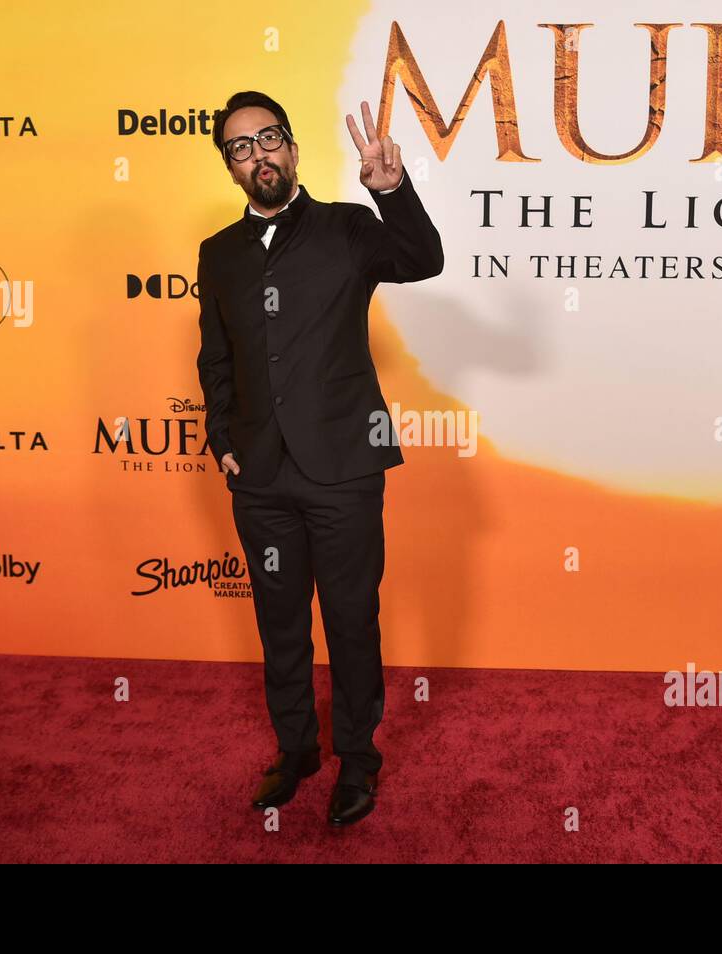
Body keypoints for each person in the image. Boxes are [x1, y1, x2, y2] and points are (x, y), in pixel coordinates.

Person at [197, 91, 444, 826]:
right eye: (241, 147)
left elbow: (422, 260)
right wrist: (223, 442)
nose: (258, 154)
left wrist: (391, 190)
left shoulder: (348, 227)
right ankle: (297, 749)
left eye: (268, 138)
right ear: (231, 167)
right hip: (262, 478)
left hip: (343, 469)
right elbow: (216, 357)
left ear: (294, 148)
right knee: (279, 623)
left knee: (349, 619)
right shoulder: (217, 254)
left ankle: (358, 762)